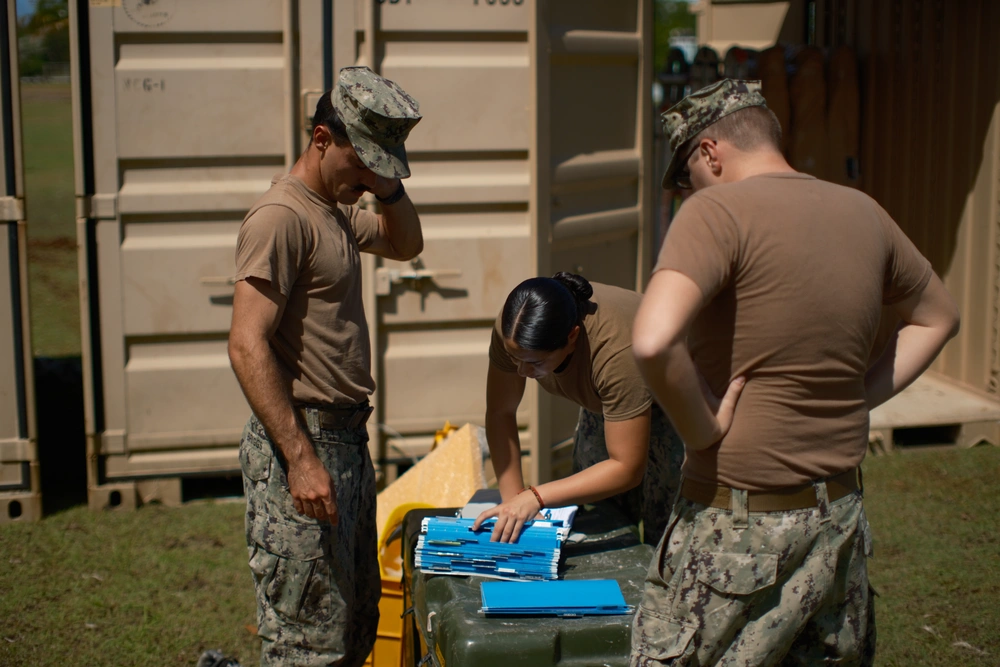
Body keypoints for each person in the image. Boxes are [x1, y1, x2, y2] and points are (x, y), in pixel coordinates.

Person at [629, 79, 959, 666]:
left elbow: (653, 341)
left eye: (686, 177)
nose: (687, 192)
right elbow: (938, 318)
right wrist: (859, 397)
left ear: (709, 152)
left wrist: (703, 431)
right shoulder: (864, 211)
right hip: (839, 527)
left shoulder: (714, 211)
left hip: (736, 532)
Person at [226, 66, 422, 667]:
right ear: (320, 139)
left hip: (344, 443)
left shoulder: (334, 207)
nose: (369, 179)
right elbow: (246, 343)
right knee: (308, 644)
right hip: (304, 447)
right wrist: (300, 457)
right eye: (360, 161)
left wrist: (387, 185)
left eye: (380, 164)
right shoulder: (281, 217)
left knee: (354, 628)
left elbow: (405, 243)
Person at [472, 272, 685, 544]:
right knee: (599, 517)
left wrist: (535, 496)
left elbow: (626, 467)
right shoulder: (514, 328)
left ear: (572, 337)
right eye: (514, 358)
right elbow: (501, 412)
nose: (522, 371)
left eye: (535, 363)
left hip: (680, 402)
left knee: (668, 534)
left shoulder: (617, 353)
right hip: (609, 399)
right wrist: (513, 504)